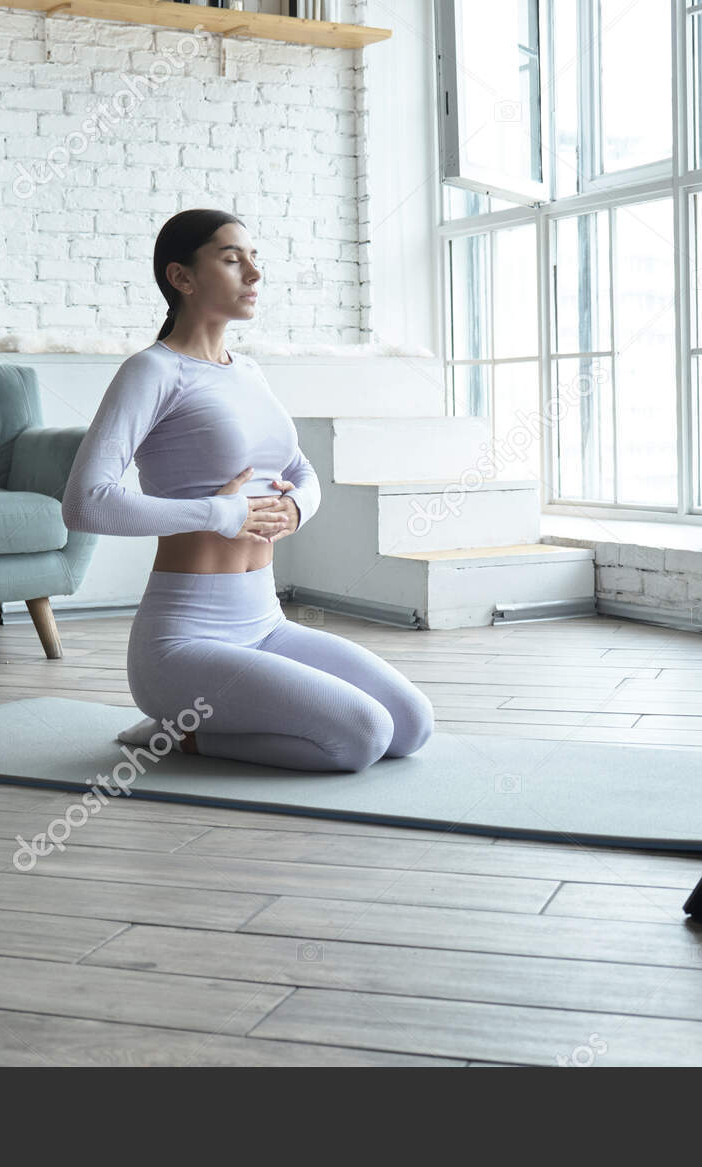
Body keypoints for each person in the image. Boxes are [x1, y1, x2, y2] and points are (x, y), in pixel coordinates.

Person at [60, 208, 434, 772]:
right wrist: (220, 513)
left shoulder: (249, 371)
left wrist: (294, 508)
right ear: (181, 278)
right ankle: (176, 735)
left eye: (254, 259)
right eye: (233, 260)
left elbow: (302, 471)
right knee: (362, 737)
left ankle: (195, 729)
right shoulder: (153, 372)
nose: (254, 274)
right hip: (183, 644)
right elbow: (86, 504)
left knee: (410, 724)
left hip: (265, 623)